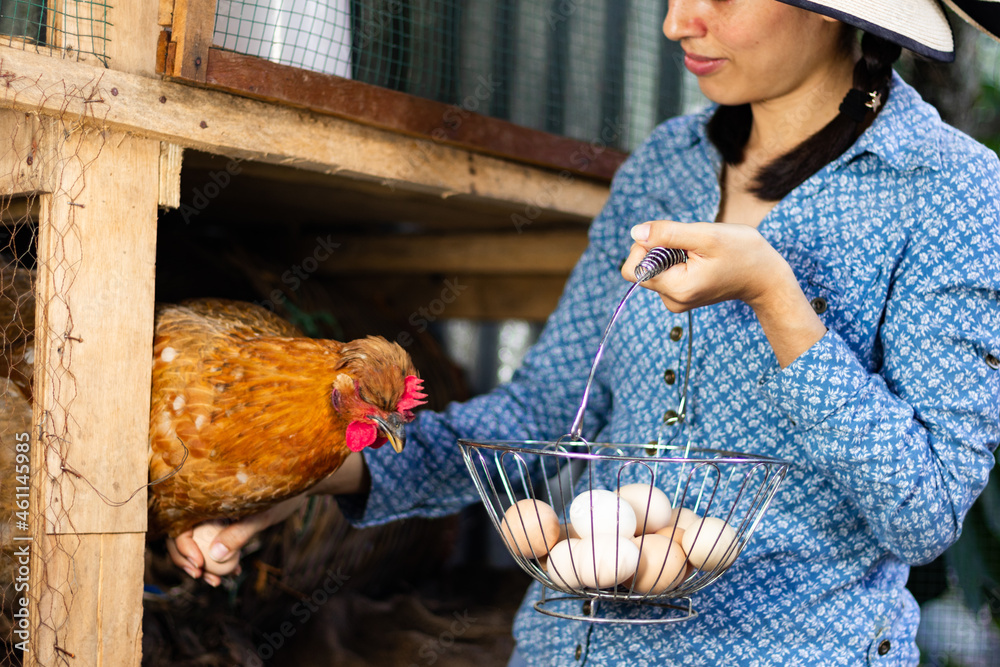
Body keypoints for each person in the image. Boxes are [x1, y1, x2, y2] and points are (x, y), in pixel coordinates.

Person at [169, 1, 1000, 664]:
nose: (678, 21)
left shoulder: (950, 192)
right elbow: (540, 413)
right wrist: (318, 475)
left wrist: (775, 295)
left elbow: (921, 513)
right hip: (571, 648)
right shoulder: (666, 164)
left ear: (832, 9)